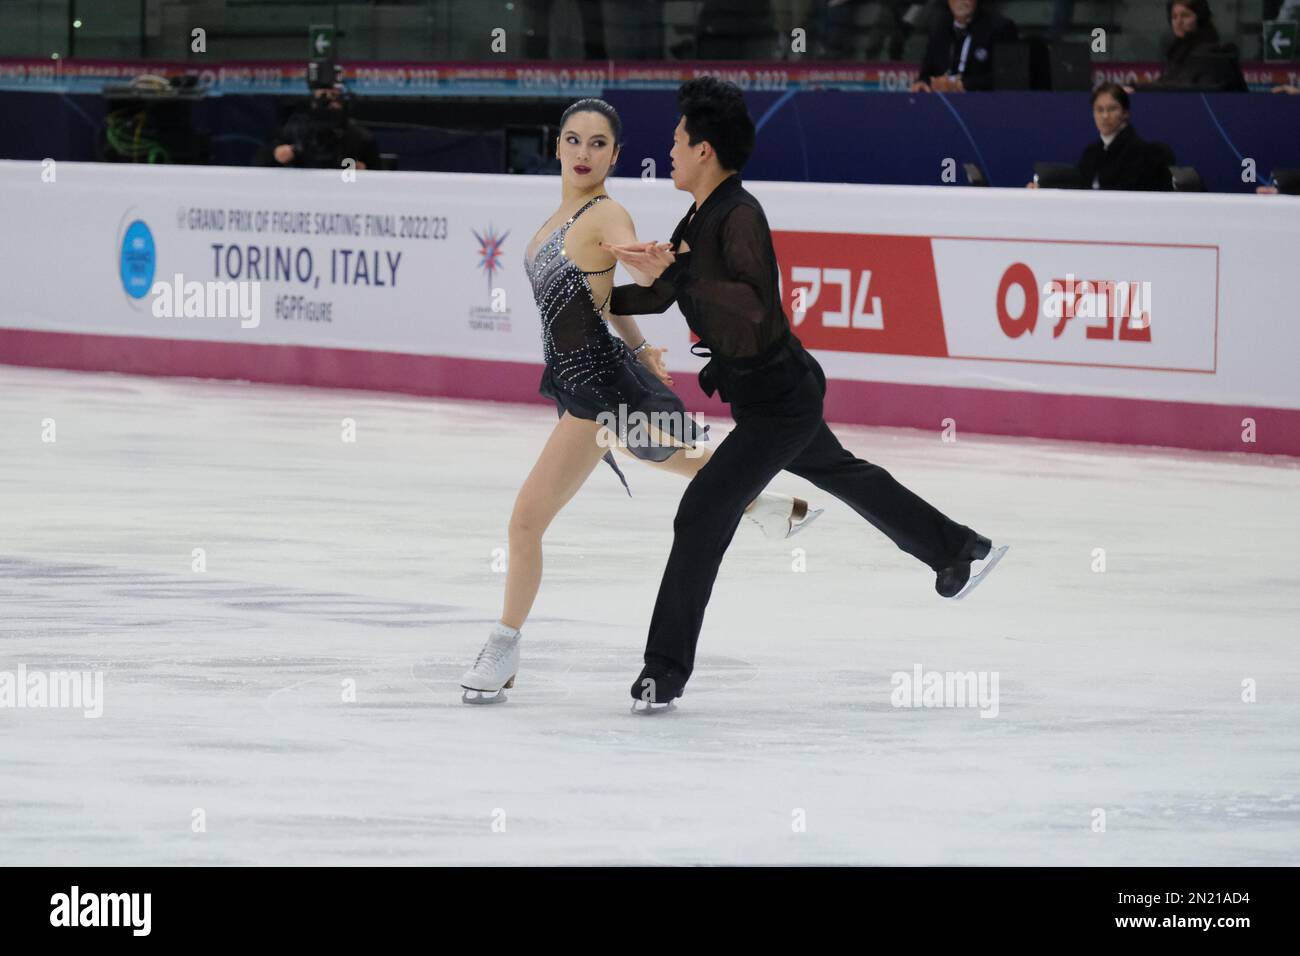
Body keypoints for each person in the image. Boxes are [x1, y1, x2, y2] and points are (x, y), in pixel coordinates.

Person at [604, 78, 1006, 711]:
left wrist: (677, 274)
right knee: (844, 474)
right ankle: (956, 548)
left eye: (679, 139)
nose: (671, 149)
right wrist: (600, 295)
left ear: (705, 149)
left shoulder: (740, 215)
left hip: (780, 398)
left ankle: (663, 672)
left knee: (703, 510)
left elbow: (756, 310)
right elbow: (660, 295)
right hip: (770, 396)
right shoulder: (700, 214)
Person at [458, 99, 821, 705]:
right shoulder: (556, 219)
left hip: (595, 389)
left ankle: (504, 646)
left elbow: (633, 264)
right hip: (587, 374)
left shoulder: (607, 214)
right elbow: (604, 301)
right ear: (556, 147)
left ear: (616, 155)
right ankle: (765, 503)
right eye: (573, 140)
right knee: (669, 457)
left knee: (526, 519)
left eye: (598, 144)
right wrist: (645, 343)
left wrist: (653, 267)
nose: (583, 153)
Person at [1026, 84, 1171, 191]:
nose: (1105, 116)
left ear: (1125, 112)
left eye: (1112, 108)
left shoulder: (1142, 153)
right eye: (1099, 109)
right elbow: (1079, 188)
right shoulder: (1091, 152)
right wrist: (1044, 189)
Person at [258, 63, 380, 170]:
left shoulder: (358, 136)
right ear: (313, 100)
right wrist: (276, 154)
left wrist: (364, 170)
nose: (330, 104)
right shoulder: (294, 129)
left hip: (342, 189)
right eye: (323, 97)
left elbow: (379, 175)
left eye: (334, 96)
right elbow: (261, 161)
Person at [912, 0, 1018, 93]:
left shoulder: (1001, 28)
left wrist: (962, 85)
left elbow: (1007, 78)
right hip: (943, 104)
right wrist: (922, 83)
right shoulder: (940, 28)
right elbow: (927, 71)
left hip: (983, 105)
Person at [1144, 0, 1247, 92]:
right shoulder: (1175, 52)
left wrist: (1139, 89)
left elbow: (1186, 87)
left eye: (1185, 15)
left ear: (1200, 19)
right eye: (1174, 17)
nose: (1178, 22)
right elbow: (1167, 82)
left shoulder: (1212, 53)